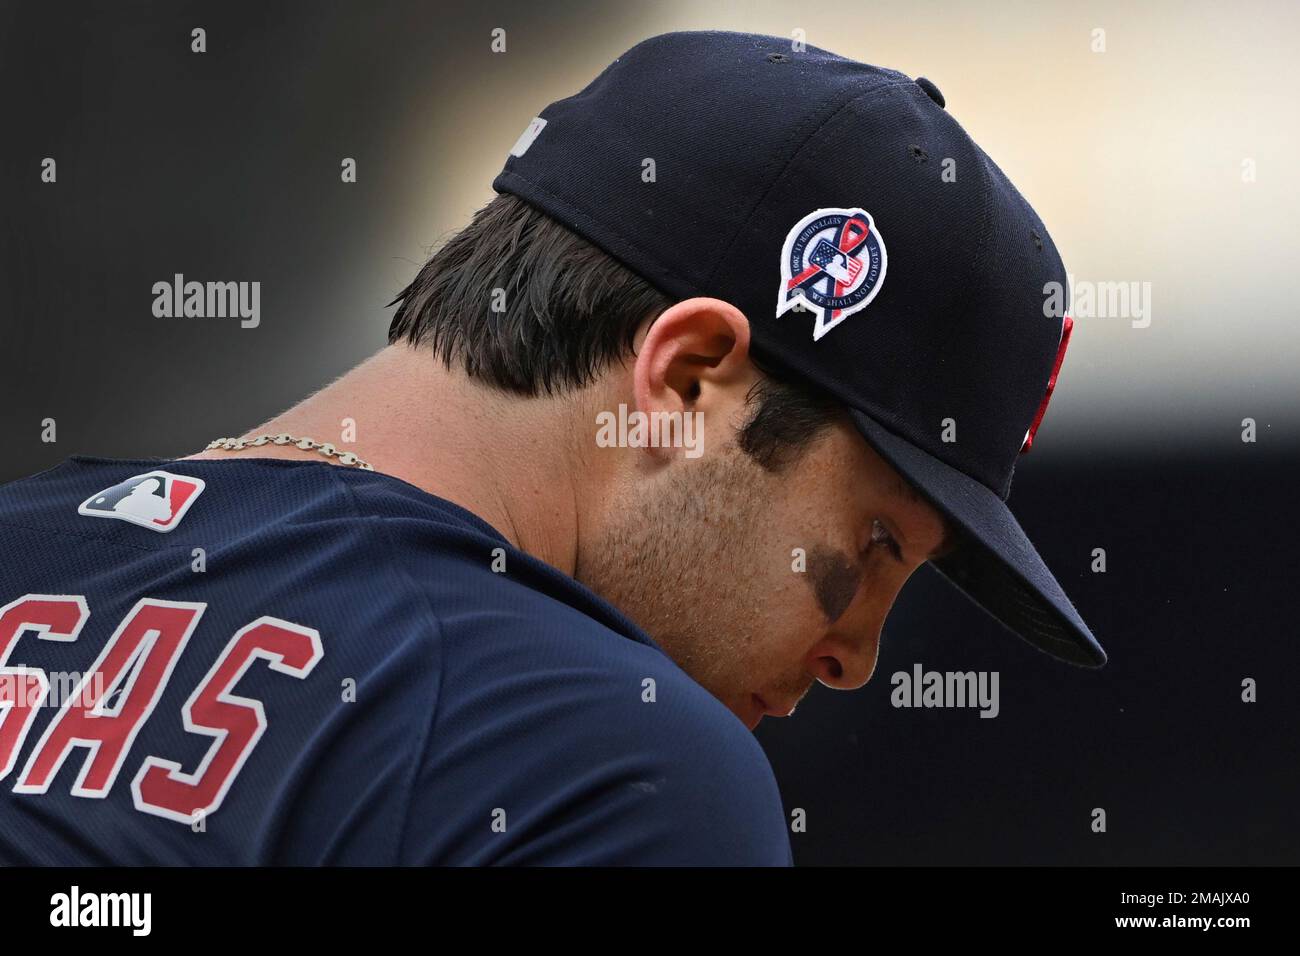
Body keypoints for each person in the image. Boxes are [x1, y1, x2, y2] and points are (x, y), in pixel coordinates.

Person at [0, 31, 1102, 865]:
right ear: (683, 378)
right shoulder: (614, 758)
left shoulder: (25, 540)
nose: (854, 653)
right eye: (870, 542)